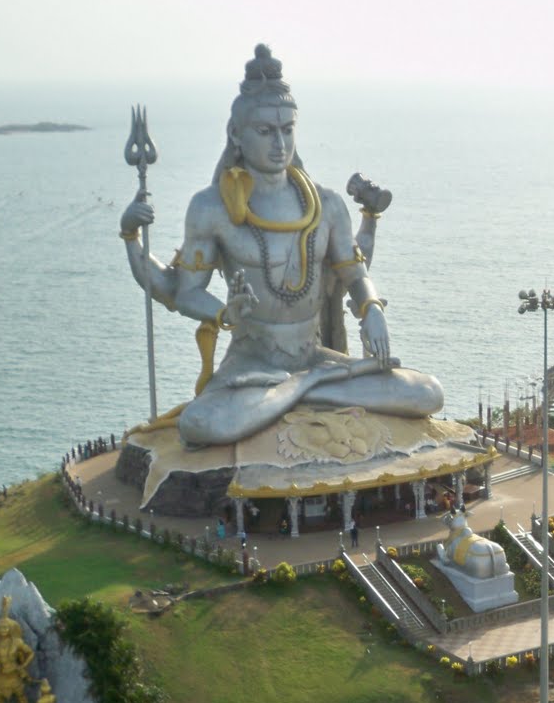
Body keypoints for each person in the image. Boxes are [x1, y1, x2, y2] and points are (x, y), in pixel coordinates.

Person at [119, 44, 444, 447]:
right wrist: (223, 313)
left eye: (287, 130)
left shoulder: (325, 205)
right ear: (237, 134)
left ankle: (298, 388)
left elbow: (354, 273)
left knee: (427, 392)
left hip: (315, 356)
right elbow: (184, 292)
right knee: (201, 422)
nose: (279, 143)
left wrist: (372, 309)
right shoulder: (211, 208)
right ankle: (307, 389)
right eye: (265, 131)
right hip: (252, 364)